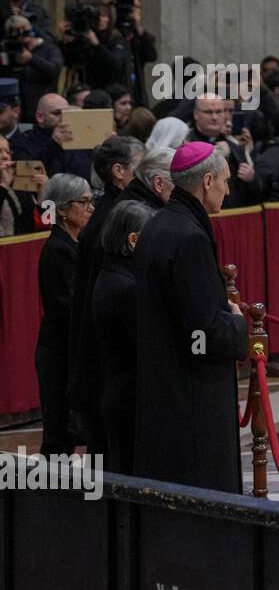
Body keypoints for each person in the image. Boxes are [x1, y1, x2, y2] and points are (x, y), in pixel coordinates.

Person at [133, 142, 249, 493]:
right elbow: (204, 329)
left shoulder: (159, 223)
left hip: (163, 383)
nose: (228, 190)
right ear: (207, 180)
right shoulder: (189, 237)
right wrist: (238, 322)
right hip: (193, 393)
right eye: (226, 181)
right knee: (202, 491)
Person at [65, 135, 145, 452]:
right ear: (119, 171)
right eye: (140, 167)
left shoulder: (115, 211)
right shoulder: (113, 219)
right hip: (103, 356)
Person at [92, 199, 158, 473]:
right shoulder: (126, 288)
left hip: (122, 391)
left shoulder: (112, 274)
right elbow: (146, 345)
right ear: (133, 239)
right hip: (132, 397)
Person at [35, 173, 94, 455]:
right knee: (59, 434)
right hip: (60, 354)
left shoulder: (75, 244)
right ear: (62, 209)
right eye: (83, 202)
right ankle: (45, 495)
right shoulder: (58, 251)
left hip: (69, 350)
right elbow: (66, 308)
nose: (90, 208)